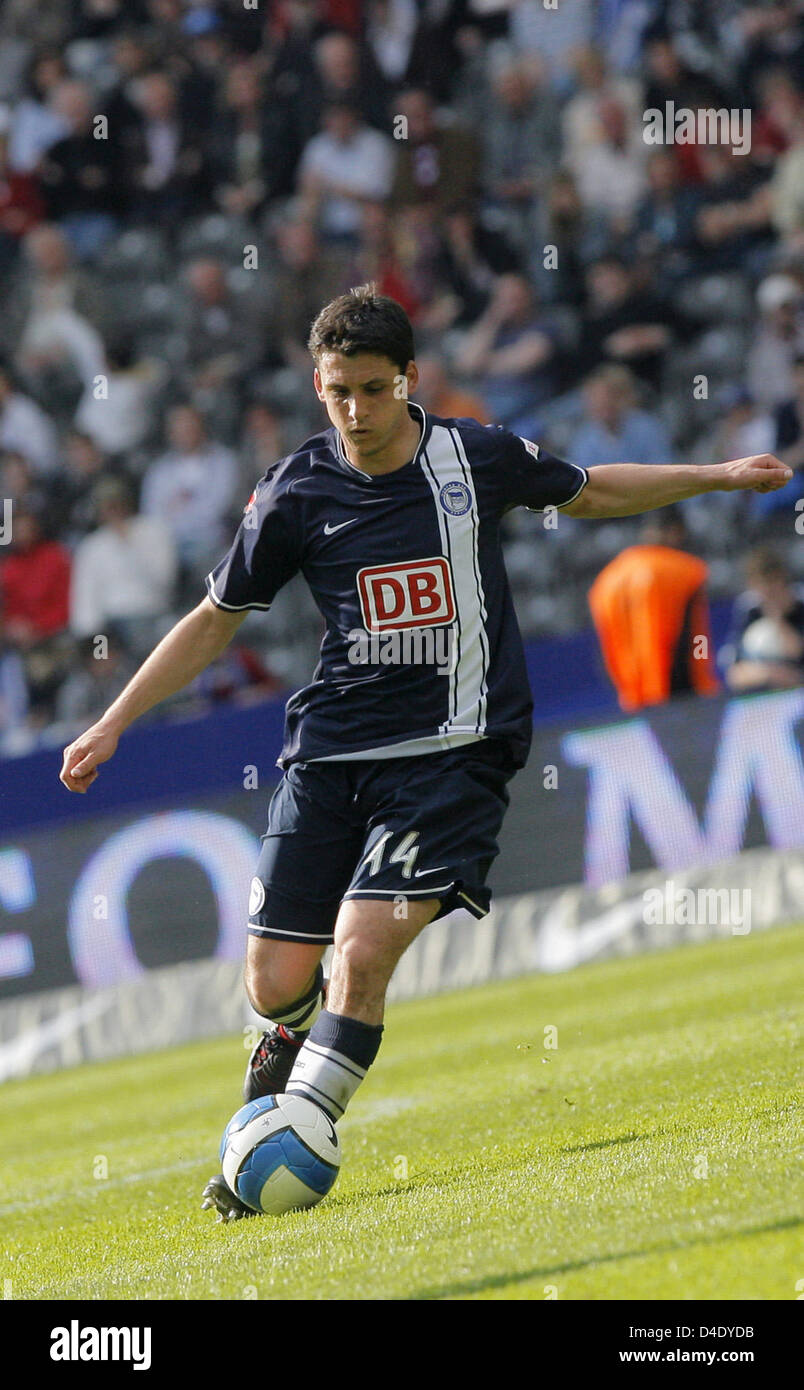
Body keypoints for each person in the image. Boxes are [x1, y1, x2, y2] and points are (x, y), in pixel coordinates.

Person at [59, 286, 793, 1221]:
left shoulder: (473, 456)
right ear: (317, 387)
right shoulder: (294, 491)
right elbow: (214, 622)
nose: (356, 413)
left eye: (372, 389)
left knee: (361, 955)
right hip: (330, 757)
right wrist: (114, 720)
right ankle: (283, 1065)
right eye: (337, 394)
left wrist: (718, 475)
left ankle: (292, 1141)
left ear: (409, 379)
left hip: (454, 754)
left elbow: (591, 489)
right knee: (275, 983)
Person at [588, 506, 720, 713]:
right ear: (676, 531)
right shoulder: (686, 570)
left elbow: (607, 647)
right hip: (684, 692)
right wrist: (703, 675)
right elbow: (697, 638)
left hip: (634, 698)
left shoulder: (607, 579)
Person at [722, 547, 804, 693]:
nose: (767, 590)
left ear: (783, 578)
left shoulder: (799, 605)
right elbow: (735, 675)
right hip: (761, 700)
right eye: (760, 584)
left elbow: (795, 651)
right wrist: (769, 674)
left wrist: (776, 617)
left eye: (772, 582)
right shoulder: (749, 611)